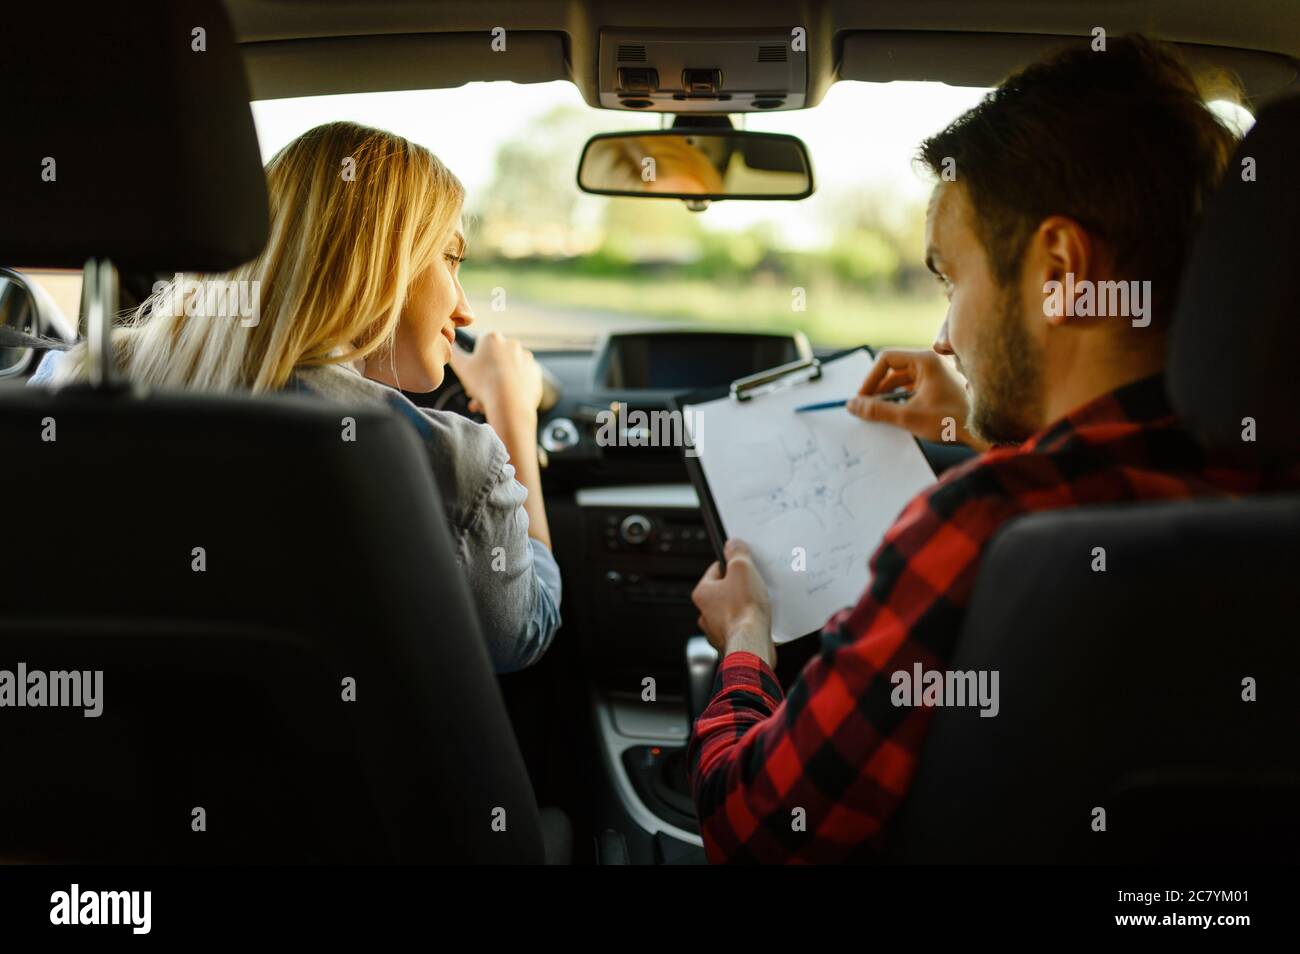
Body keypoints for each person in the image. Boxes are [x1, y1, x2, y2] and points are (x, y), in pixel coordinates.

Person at [687, 35, 1298, 862]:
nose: (943, 338)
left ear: (1059, 268)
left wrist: (747, 644)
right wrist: (970, 431)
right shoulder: (1265, 487)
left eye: (951, 278)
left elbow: (754, 830)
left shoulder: (982, 523)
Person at [37, 121, 560, 673]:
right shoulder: (450, 457)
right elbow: (523, 634)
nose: (464, 307)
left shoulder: (69, 379)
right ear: (379, 260)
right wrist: (512, 412)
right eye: (450, 258)